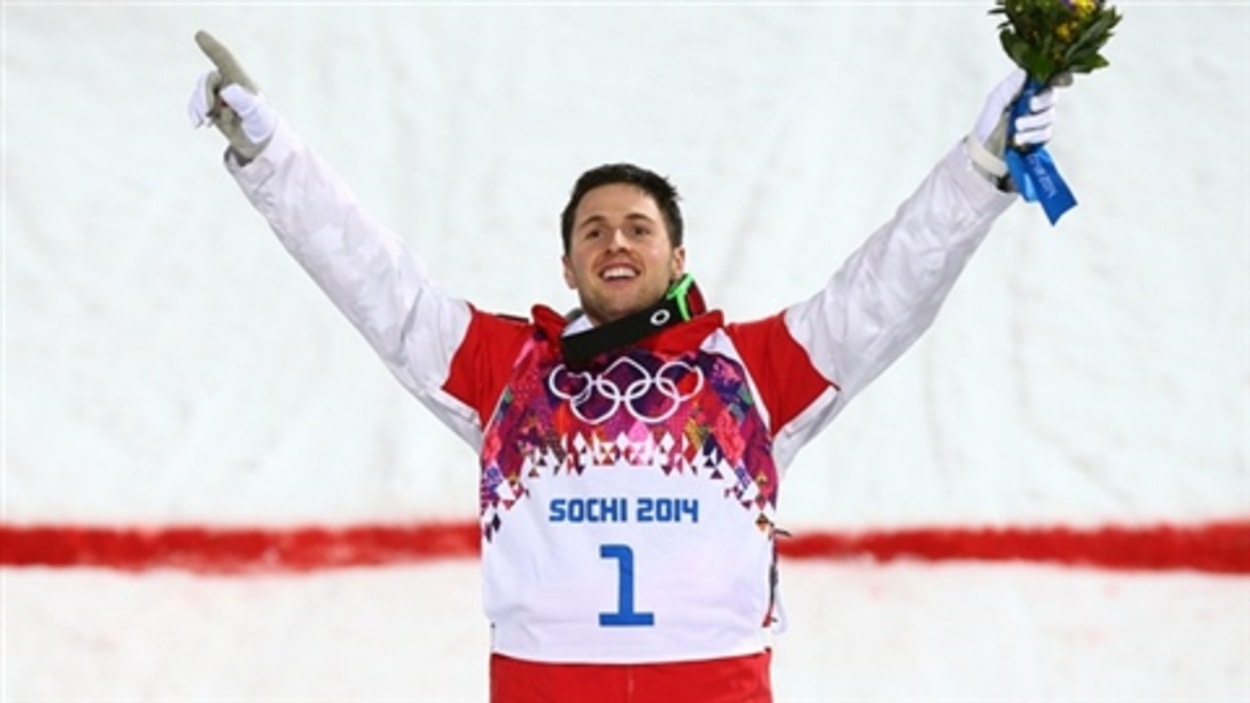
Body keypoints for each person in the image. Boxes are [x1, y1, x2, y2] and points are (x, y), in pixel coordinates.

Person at [188, 29, 1064, 703]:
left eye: (639, 228)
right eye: (593, 230)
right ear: (566, 266)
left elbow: (890, 284)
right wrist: (271, 157)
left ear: (677, 257)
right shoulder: (507, 370)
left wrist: (981, 165)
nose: (616, 241)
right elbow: (378, 282)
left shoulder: (751, 372)